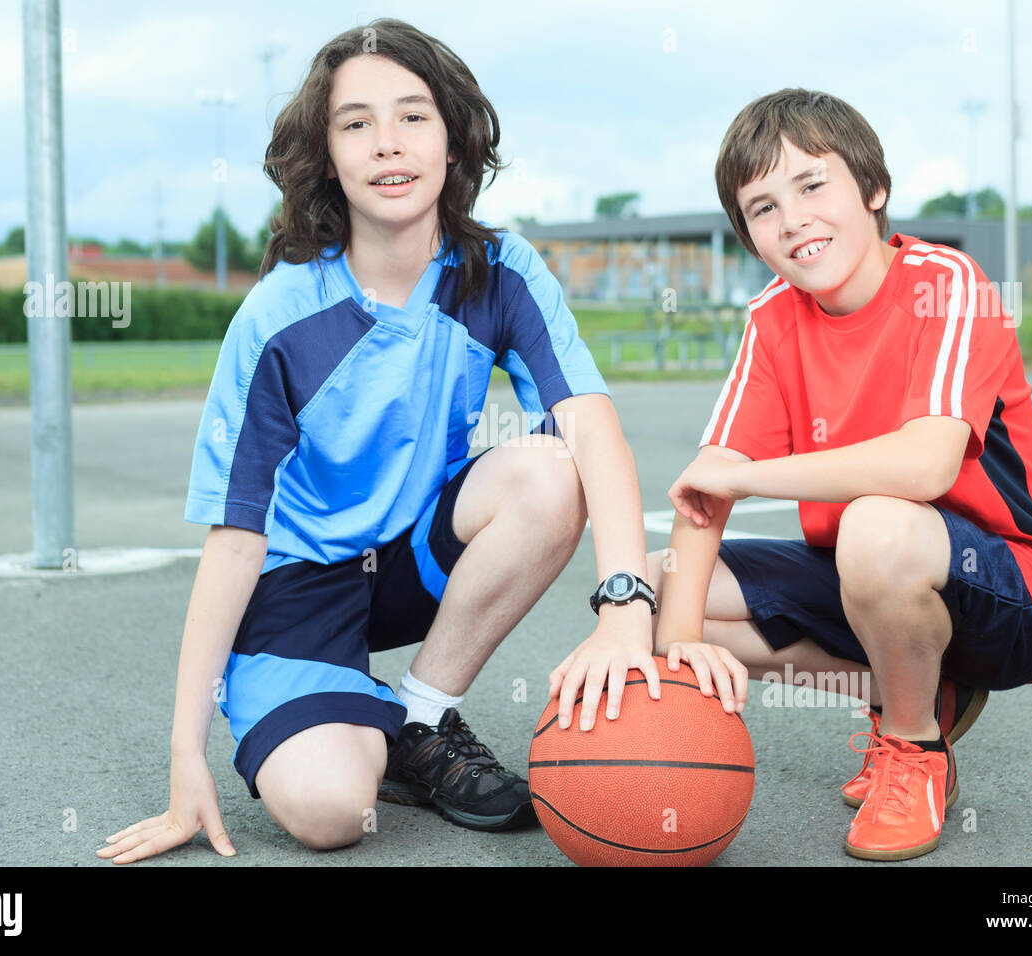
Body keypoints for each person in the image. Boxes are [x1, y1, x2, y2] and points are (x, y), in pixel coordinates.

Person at [97, 18, 657, 863]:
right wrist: (185, 757)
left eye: (413, 116)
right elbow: (235, 535)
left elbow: (594, 432)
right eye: (356, 123)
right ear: (326, 156)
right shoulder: (282, 317)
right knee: (328, 815)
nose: (387, 144)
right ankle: (355, 717)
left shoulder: (501, 273)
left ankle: (421, 717)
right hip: (298, 581)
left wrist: (626, 607)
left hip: (410, 557)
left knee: (549, 471)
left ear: (455, 139)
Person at [643, 88, 1032, 861]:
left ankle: (915, 749)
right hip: (868, 578)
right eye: (761, 207)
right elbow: (708, 484)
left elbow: (923, 466)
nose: (792, 220)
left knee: (877, 522)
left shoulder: (946, 285)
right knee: (659, 585)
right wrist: (680, 641)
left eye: (811, 185)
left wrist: (754, 478)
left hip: (1009, 584)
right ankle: (913, 690)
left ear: (873, 188)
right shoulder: (772, 317)